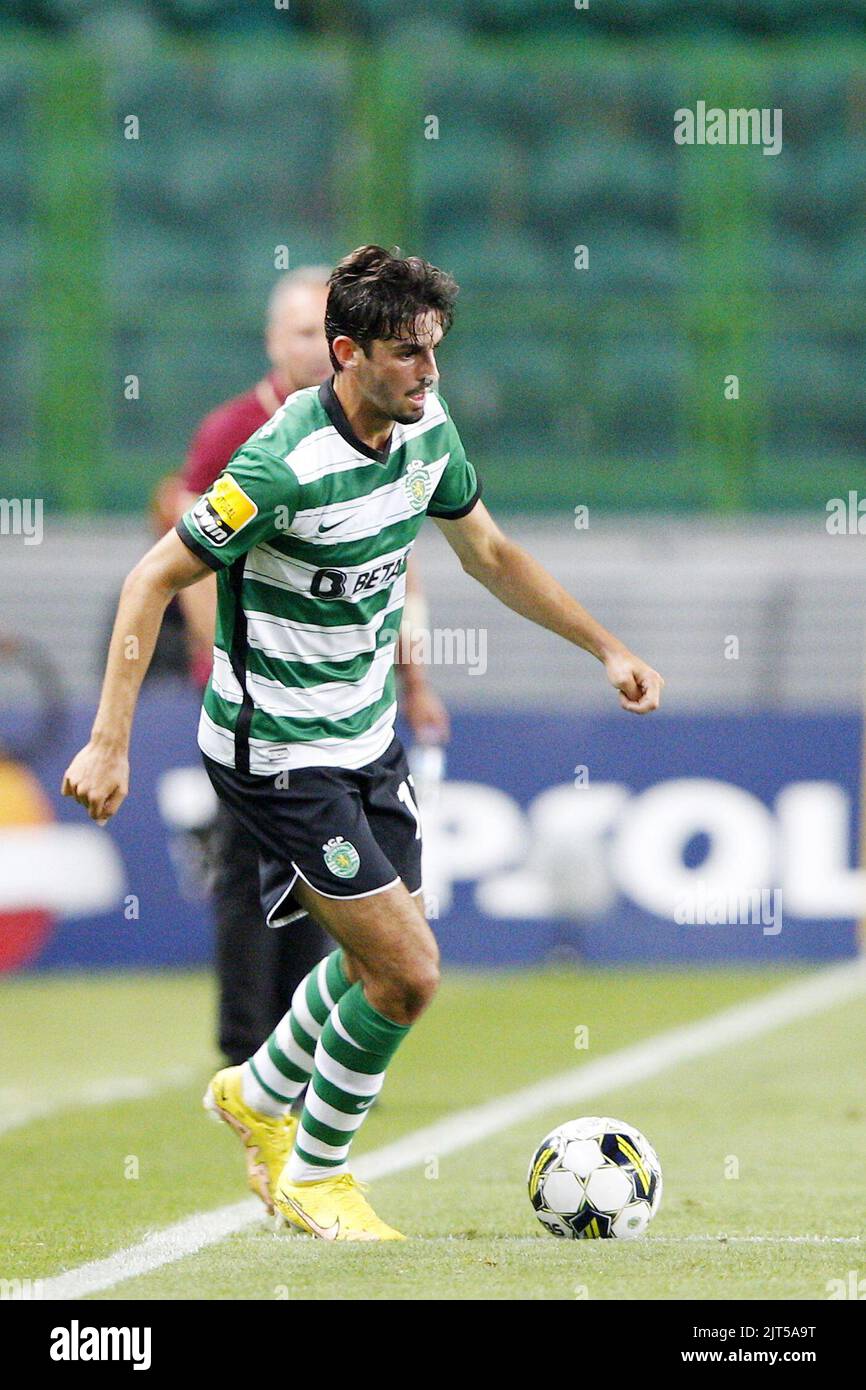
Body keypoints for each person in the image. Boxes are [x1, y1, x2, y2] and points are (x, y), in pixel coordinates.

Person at [61, 244, 664, 1242]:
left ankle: (257, 1092)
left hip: (365, 735)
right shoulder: (278, 462)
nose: (428, 372)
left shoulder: (427, 437)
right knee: (410, 972)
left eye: (434, 350)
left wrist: (604, 645)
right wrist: (110, 742)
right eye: (404, 353)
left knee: (375, 954)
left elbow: (492, 556)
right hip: (277, 751)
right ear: (346, 353)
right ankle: (317, 1172)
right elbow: (151, 578)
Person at [166, 266, 448, 1067]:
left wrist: (414, 677)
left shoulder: (387, 429)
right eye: (296, 332)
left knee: (333, 909)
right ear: (285, 341)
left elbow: (399, 561)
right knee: (249, 885)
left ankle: (305, 1057)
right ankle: (244, 1051)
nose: (308, 346)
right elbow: (179, 552)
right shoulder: (243, 435)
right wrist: (218, 659)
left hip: (345, 713)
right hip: (258, 710)